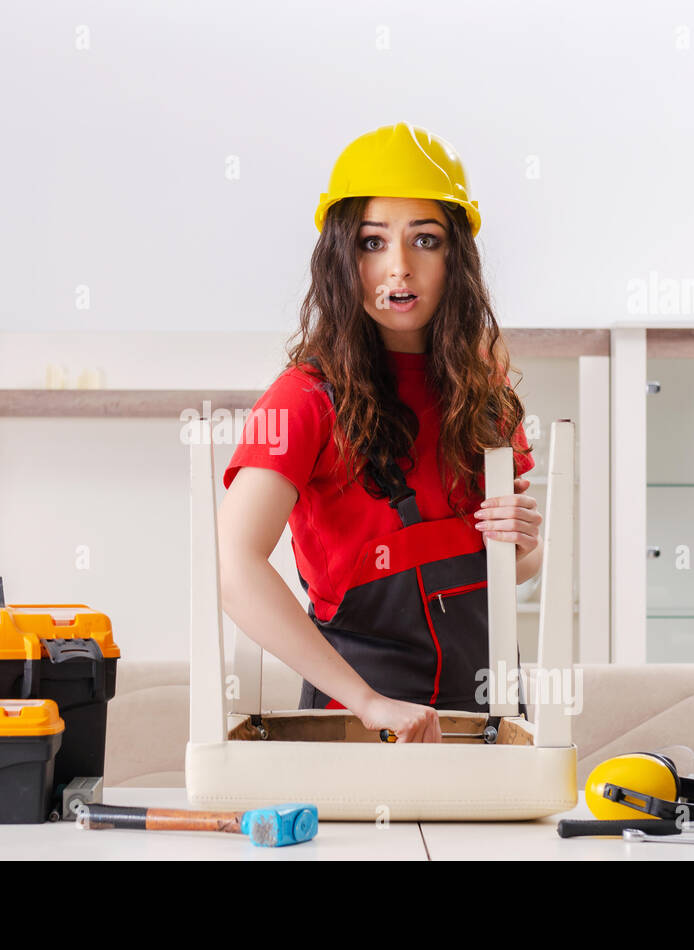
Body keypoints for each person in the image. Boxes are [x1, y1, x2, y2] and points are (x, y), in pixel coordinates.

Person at [218, 122, 542, 744]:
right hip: (359, 724)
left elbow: (516, 566)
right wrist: (368, 703)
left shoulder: (485, 392)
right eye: (372, 243)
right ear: (341, 258)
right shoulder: (305, 397)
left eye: (426, 240)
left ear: (457, 259)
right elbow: (231, 566)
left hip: (492, 717)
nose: (398, 268)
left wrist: (524, 543)